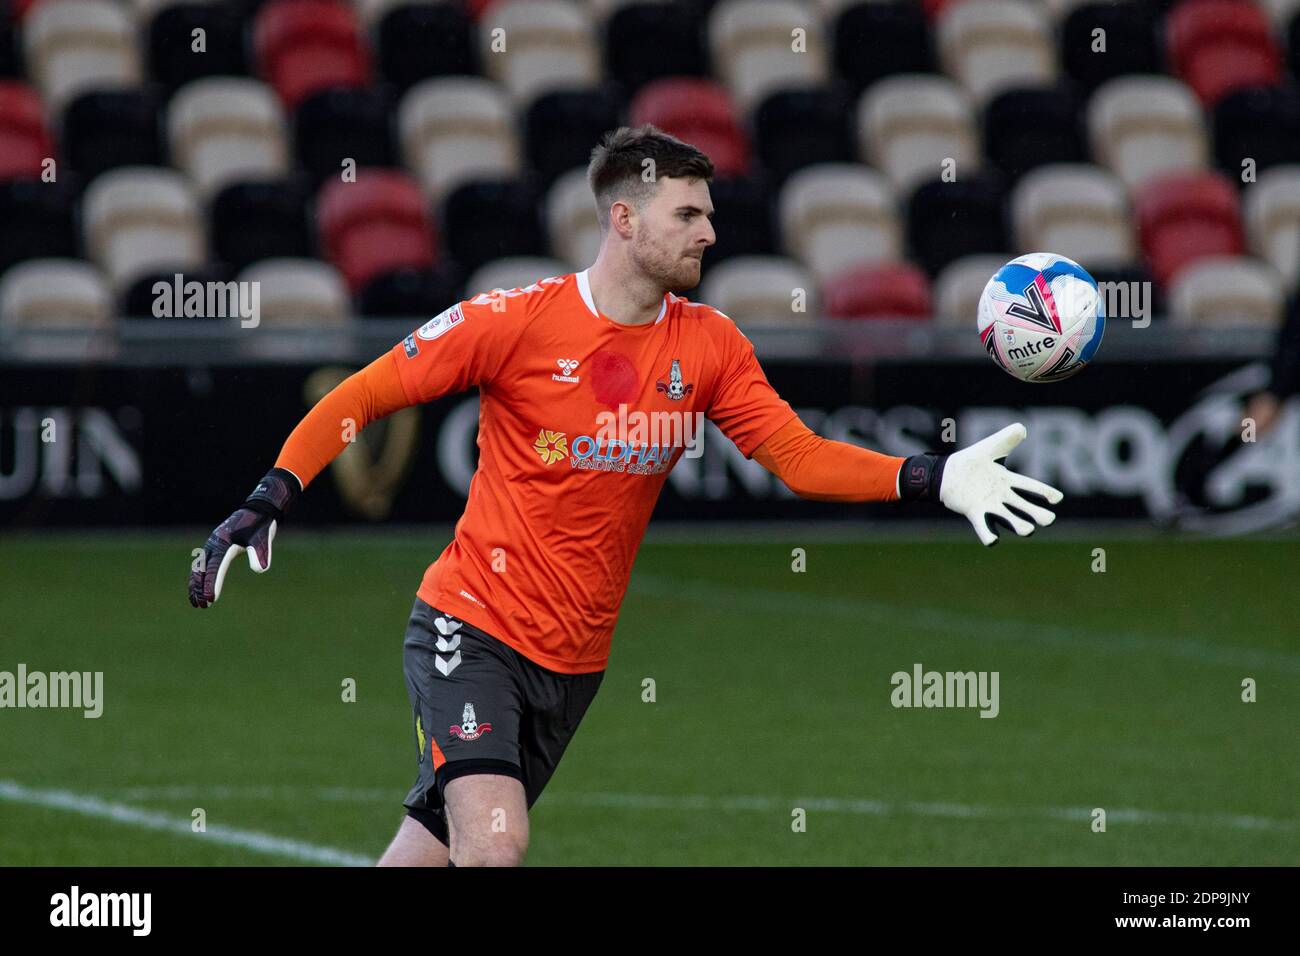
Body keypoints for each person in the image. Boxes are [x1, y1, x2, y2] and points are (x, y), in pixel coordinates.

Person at [187, 125, 1063, 866]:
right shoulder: (515, 321)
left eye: (709, 215)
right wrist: (273, 492)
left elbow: (795, 456)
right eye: (688, 214)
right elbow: (366, 393)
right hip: (470, 624)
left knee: (428, 854)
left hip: (575, 664)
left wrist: (933, 475)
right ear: (624, 218)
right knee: (497, 844)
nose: (708, 233)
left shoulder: (711, 345)